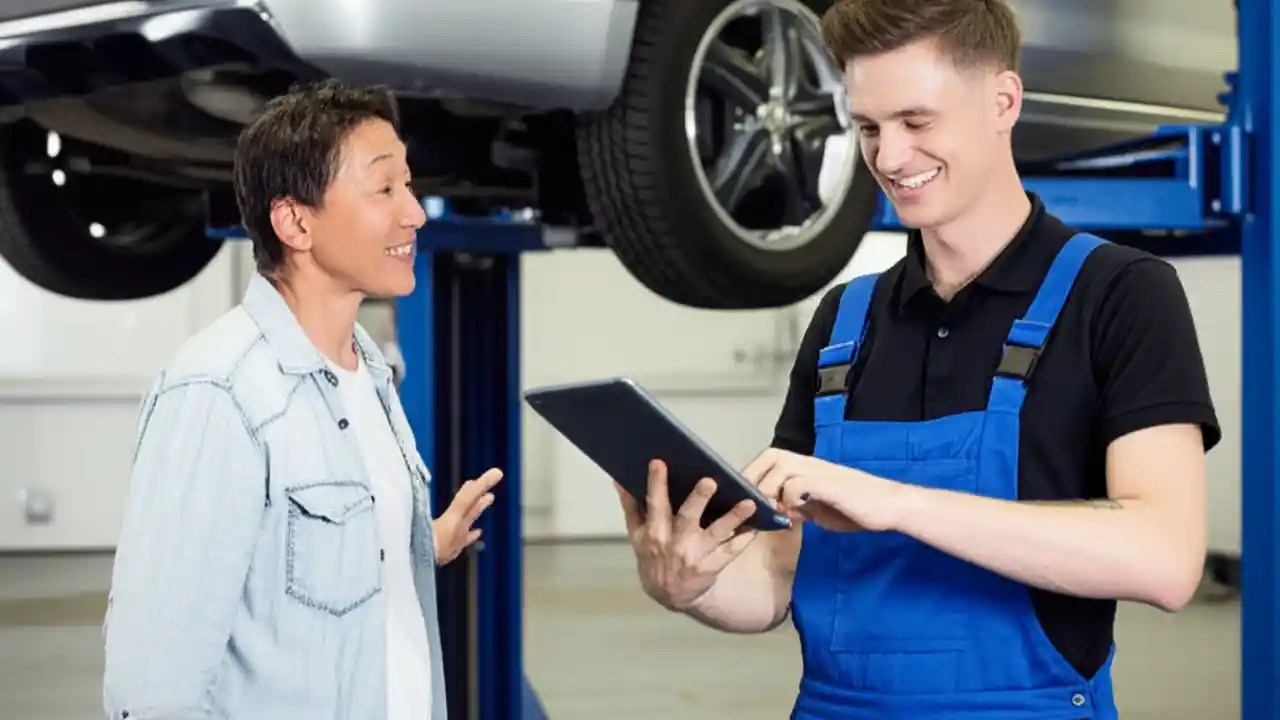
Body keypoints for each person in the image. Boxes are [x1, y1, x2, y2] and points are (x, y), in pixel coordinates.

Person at [615, 1, 1220, 718]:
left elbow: (1166, 558)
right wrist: (692, 584)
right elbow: (779, 577)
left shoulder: (1120, 294)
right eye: (868, 127)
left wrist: (897, 504)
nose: (890, 157)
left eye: (916, 122)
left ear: (1003, 100)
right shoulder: (845, 320)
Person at [102, 79, 500, 720]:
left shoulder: (366, 370)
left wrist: (415, 541)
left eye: (408, 184)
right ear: (294, 221)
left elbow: (302, 573)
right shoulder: (220, 392)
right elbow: (152, 687)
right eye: (385, 189)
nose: (416, 212)